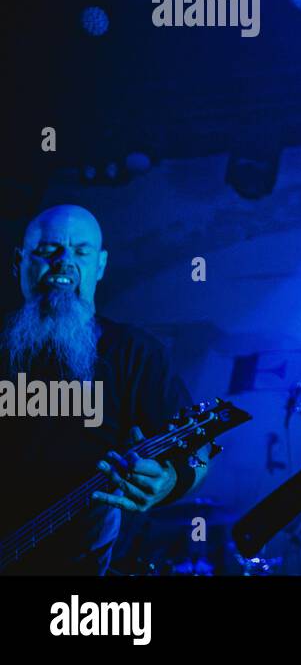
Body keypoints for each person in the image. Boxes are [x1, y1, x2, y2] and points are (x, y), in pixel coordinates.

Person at [0, 204, 208, 575]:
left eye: (81, 252)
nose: (64, 263)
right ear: (19, 261)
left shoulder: (135, 352)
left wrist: (172, 479)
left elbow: (197, 446)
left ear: (100, 265)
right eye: (48, 250)